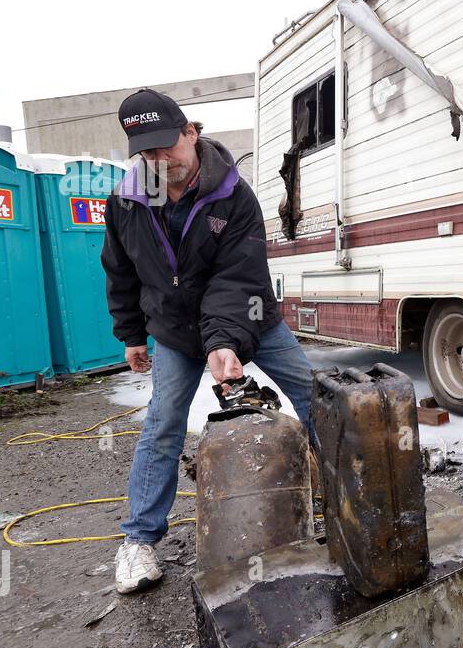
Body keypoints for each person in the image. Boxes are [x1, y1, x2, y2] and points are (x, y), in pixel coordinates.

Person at [101, 88, 317, 594]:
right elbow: (120, 271)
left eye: (167, 147)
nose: (161, 161)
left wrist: (224, 341)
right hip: (175, 332)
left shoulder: (234, 194)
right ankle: (138, 540)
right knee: (163, 424)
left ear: (190, 133)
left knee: (315, 392)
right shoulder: (126, 202)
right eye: (147, 152)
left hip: (251, 320)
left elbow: (236, 279)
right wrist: (131, 333)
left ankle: (347, 491)